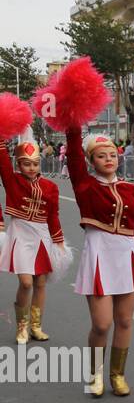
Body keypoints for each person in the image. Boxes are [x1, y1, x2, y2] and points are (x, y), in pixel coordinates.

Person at [66, 121, 134, 397]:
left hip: (127, 257)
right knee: (102, 324)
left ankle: (117, 374)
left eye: (113, 155)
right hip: (100, 257)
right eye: (101, 156)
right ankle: (94, 374)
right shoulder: (85, 186)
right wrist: (72, 121)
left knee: (125, 321)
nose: (109, 159)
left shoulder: (131, 189)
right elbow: (73, 157)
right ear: (91, 161)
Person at [1, 131, 65, 344]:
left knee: (40, 282)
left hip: (42, 236)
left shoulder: (51, 187)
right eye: (26, 164)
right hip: (20, 234)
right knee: (26, 283)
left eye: (35, 163)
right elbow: (2, 162)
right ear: (18, 164)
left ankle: (36, 326)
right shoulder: (12, 181)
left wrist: (58, 240)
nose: (31, 168)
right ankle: (22, 326)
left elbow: (53, 216)